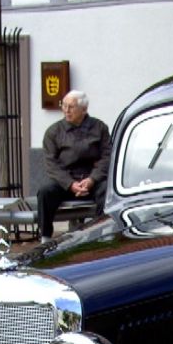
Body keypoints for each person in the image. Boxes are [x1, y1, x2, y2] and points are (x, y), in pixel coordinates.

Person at [37, 90, 111, 243]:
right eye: (64, 106)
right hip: (66, 181)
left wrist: (92, 179)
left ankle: (99, 235)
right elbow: (51, 163)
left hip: (92, 179)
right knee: (45, 192)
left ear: (84, 109)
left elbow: (107, 157)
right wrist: (70, 184)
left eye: (71, 107)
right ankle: (45, 237)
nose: (66, 110)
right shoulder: (54, 132)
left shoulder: (99, 128)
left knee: (106, 191)